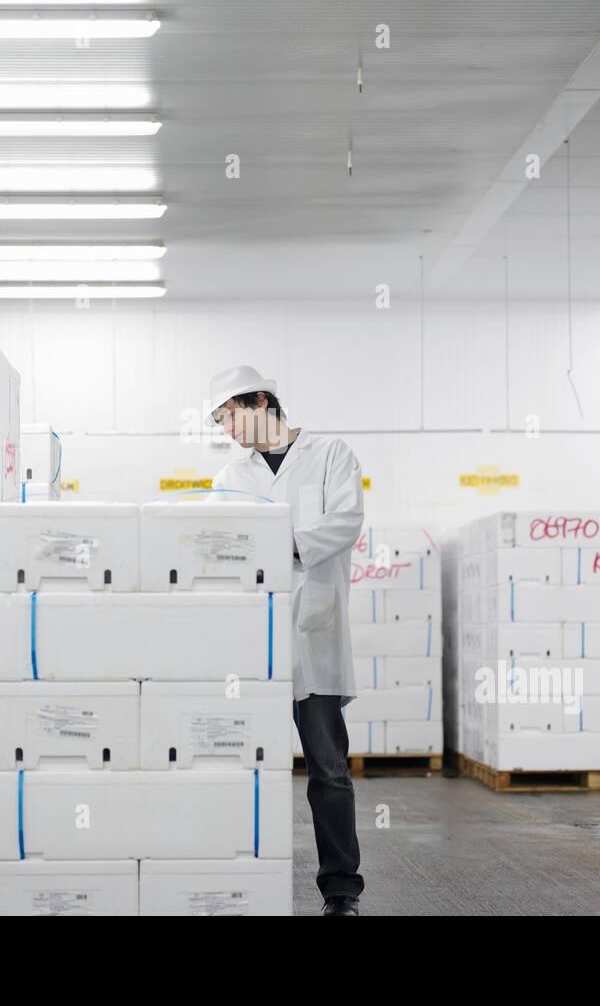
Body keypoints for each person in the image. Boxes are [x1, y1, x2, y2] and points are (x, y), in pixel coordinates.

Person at [207, 365, 366, 917]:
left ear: (258, 402)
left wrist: (279, 546)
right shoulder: (230, 476)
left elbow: (346, 522)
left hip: (316, 633)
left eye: (229, 415)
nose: (227, 429)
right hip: (254, 643)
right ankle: (247, 877)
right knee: (251, 764)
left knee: (328, 768)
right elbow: (224, 550)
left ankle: (341, 890)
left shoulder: (330, 454)